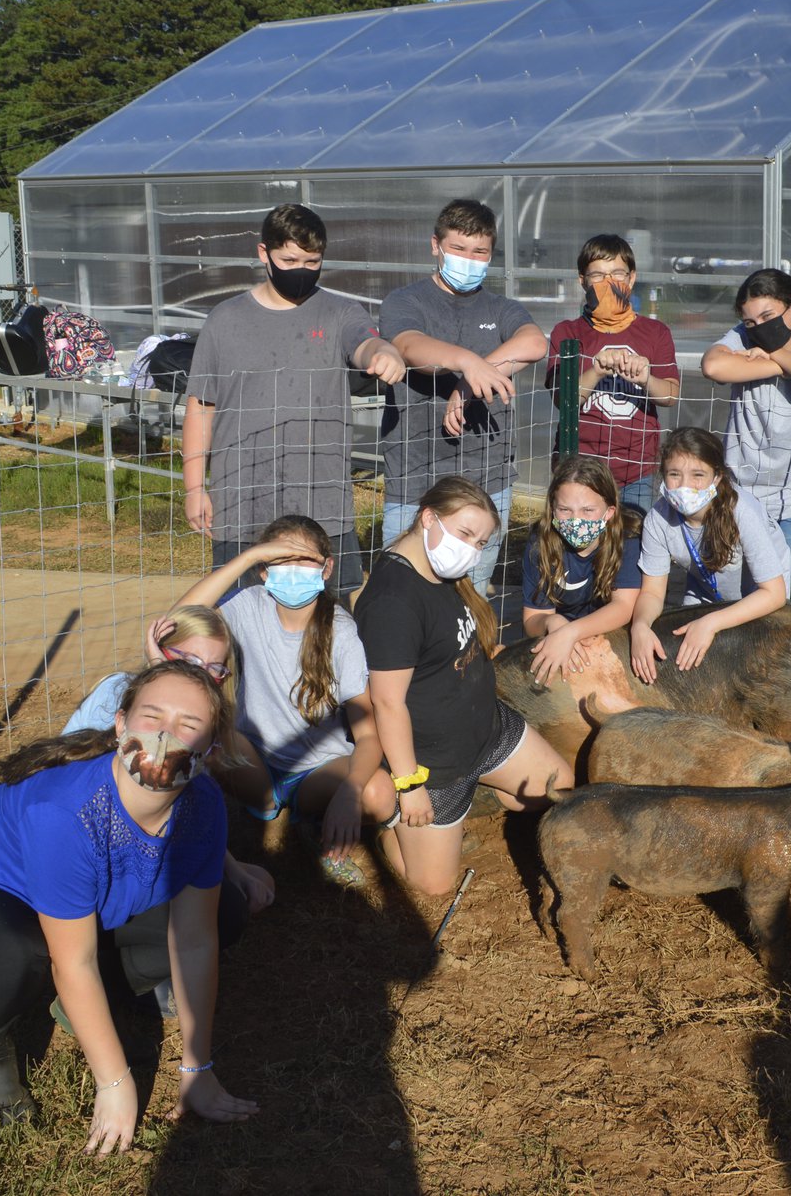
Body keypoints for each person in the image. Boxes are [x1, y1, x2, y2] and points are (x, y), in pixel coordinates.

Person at [0, 661, 259, 1142]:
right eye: (152, 716)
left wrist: (197, 1068)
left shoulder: (204, 805)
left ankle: (83, 1003)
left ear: (210, 751)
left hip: (84, 900)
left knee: (226, 914)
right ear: (120, 724)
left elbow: (195, 941)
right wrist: (115, 1083)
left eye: (188, 725)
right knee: (14, 958)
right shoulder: (66, 814)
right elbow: (74, 960)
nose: (165, 735)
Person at [353, 475, 575, 894]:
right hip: (435, 764)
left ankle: (477, 789)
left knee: (558, 788)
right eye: (465, 534)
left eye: (480, 542)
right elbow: (386, 703)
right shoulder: (393, 603)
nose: (471, 551)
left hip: (487, 730)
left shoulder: (439, 569)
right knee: (433, 885)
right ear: (428, 517)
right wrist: (410, 785)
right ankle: (388, 821)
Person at [183, 203, 406, 594]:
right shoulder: (225, 319)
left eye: (312, 260)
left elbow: (364, 342)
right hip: (242, 503)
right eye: (288, 259)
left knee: (329, 623)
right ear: (263, 254)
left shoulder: (340, 312)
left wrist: (382, 353)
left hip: (322, 506)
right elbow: (201, 407)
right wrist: (193, 488)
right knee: (245, 619)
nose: (301, 268)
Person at [172, 516, 400, 888]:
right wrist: (246, 559)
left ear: (327, 569)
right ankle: (260, 812)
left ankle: (308, 819)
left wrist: (350, 791)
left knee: (379, 793)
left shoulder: (341, 631)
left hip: (317, 770)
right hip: (252, 759)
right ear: (263, 571)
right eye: (281, 561)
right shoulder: (248, 605)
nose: (293, 572)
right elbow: (177, 623)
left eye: (305, 561)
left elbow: (369, 733)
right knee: (197, 724)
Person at [379, 199, 546, 595]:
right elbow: (409, 346)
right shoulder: (405, 301)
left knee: (471, 594)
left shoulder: (501, 307)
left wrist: (469, 384)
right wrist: (469, 361)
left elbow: (534, 342)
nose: (469, 260)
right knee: (401, 593)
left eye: (479, 252)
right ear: (435, 245)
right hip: (415, 478)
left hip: (486, 478)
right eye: (458, 249)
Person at [64, 605, 277, 912]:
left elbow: (189, 808)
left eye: (214, 668)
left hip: (152, 839)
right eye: (188, 661)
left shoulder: (198, 724)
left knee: (259, 879)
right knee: (226, 905)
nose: (200, 675)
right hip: (90, 837)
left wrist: (235, 869)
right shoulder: (119, 692)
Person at [702, 269, 791, 599]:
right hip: (742, 491)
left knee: (790, 598)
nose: (758, 328)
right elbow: (713, 367)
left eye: (767, 316)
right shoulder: (741, 337)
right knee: (739, 595)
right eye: (751, 322)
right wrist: (787, 365)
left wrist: (772, 355)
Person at [629, 426, 791, 685]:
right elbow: (652, 593)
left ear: (716, 478)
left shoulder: (742, 512)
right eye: (674, 474)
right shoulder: (657, 519)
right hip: (705, 594)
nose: (684, 485)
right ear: (662, 476)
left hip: (758, 601)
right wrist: (640, 626)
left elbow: (774, 593)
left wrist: (711, 623)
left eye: (698, 474)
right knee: (685, 664)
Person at [543, 234, 680, 515]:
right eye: (598, 275)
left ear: (631, 279)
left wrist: (646, 378)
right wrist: (596, 370)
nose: (608, 283)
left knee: (631, 542)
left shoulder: (656, 332)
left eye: (617, 274)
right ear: (582, 280)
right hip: (578, 467)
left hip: (636, 468)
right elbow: (562, 399)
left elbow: (670, 395)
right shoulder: (566, 332)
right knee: (578, 540)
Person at [520, 456, 644, 686]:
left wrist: (571, 633)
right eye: (565, 510)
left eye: (588, 510)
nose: (576, 520)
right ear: (553, 510)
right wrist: (553, 624)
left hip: (613, 632)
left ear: (609, 512)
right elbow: (532, 620)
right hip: (561, 632)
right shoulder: (540, 544)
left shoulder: (628, 538)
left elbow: (623, 607)